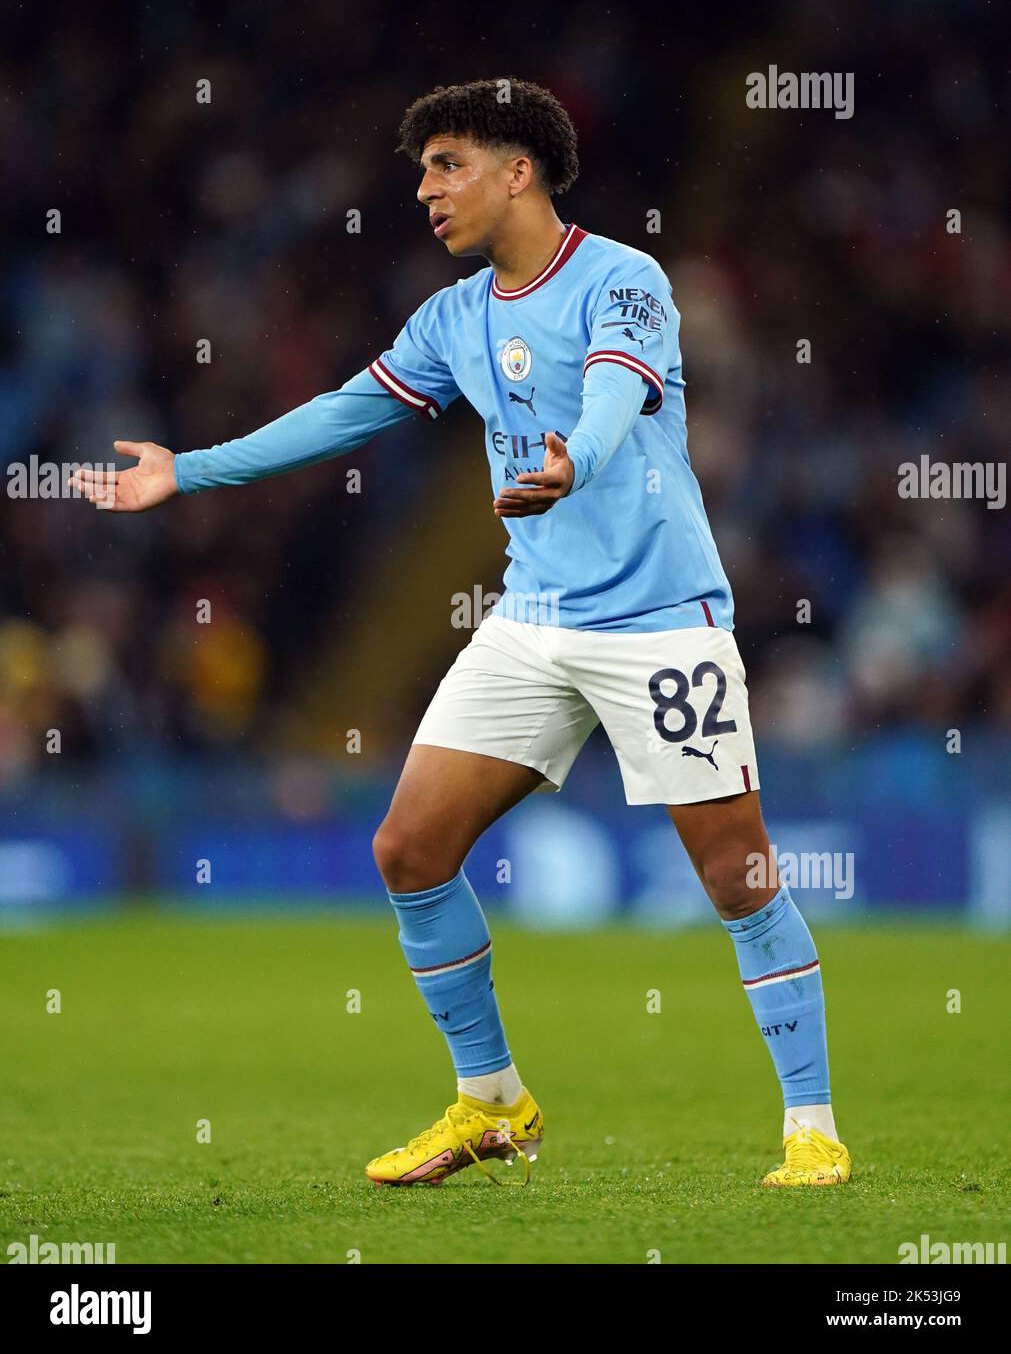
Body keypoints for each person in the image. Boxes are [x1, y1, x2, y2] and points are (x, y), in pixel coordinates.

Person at [74, 78, 851, 1190]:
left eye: (447, 165)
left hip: (659, 624)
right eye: (422, 172)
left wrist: (574, 461)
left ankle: (812, 1127)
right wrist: (187, 471)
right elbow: (344, 412)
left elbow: (615, 393)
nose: (425, 192)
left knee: (736, 873)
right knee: (409, 848)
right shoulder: (453, 317)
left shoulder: (623, 278)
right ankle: (493, 1103)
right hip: (531, 622)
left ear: (516, 170)